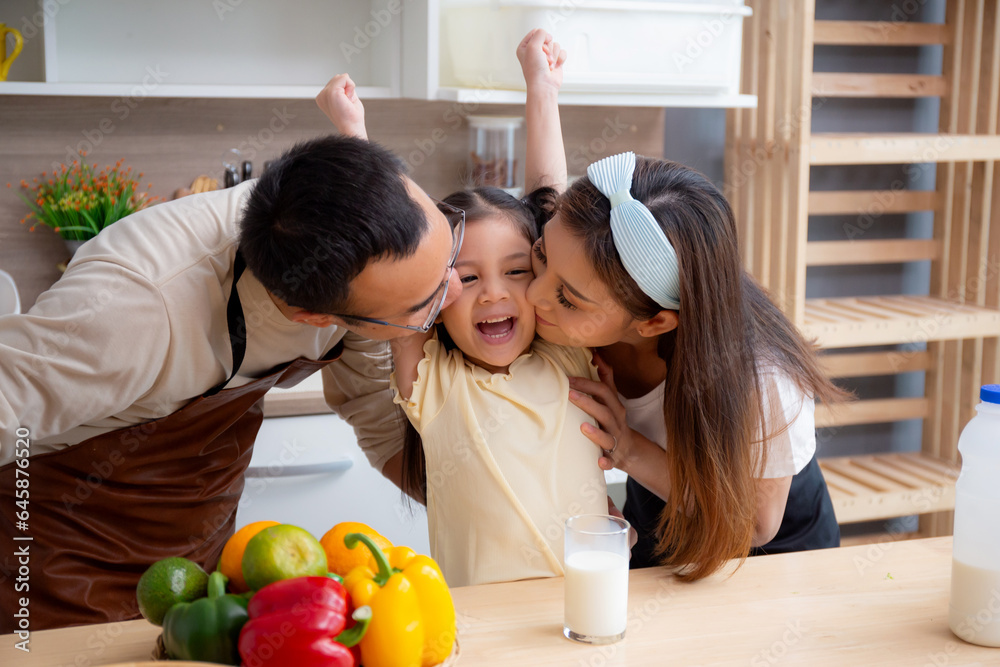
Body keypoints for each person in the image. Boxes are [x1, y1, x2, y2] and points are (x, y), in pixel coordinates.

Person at [0, 134, 463, 632]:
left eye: (451, 252)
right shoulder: (130, 309)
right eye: (422, 308)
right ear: (308, 315)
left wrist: (482, 505)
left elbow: (380, 416)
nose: (457, 292)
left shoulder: (348, 235)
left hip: (197, 560)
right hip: (59, 558)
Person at [516, 29, 847, 580]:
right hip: (663, 509)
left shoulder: (764, 380)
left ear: (655, 321)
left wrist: (628, 449)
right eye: (539, 258)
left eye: (567, 299)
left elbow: (756, 523)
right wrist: (542, 89)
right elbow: (544, 203)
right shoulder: (583, 267)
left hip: (771, 554)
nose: (533, 294)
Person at [320, 41, 611, 588]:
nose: (493, 294)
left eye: (518, 271)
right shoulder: (434, 386)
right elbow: (392, 248)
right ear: (436, 296)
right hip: (483, 628)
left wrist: (541, 89)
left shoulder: (569, 358)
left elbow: (551, 208)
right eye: (469, 277)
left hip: (585, 607)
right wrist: (352, 133)